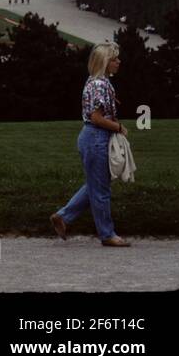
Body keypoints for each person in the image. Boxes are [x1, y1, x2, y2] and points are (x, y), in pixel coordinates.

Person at [51, 43, 130, 247]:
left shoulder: (97, 82)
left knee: (96, 185)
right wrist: (118, 127)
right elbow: (96, 118)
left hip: (94, 137)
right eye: (114, 59)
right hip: (96, 137)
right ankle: (107, 234)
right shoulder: (99, 85)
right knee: (101, 190)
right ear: (105, 62)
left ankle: (63, 217)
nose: (118, 62)